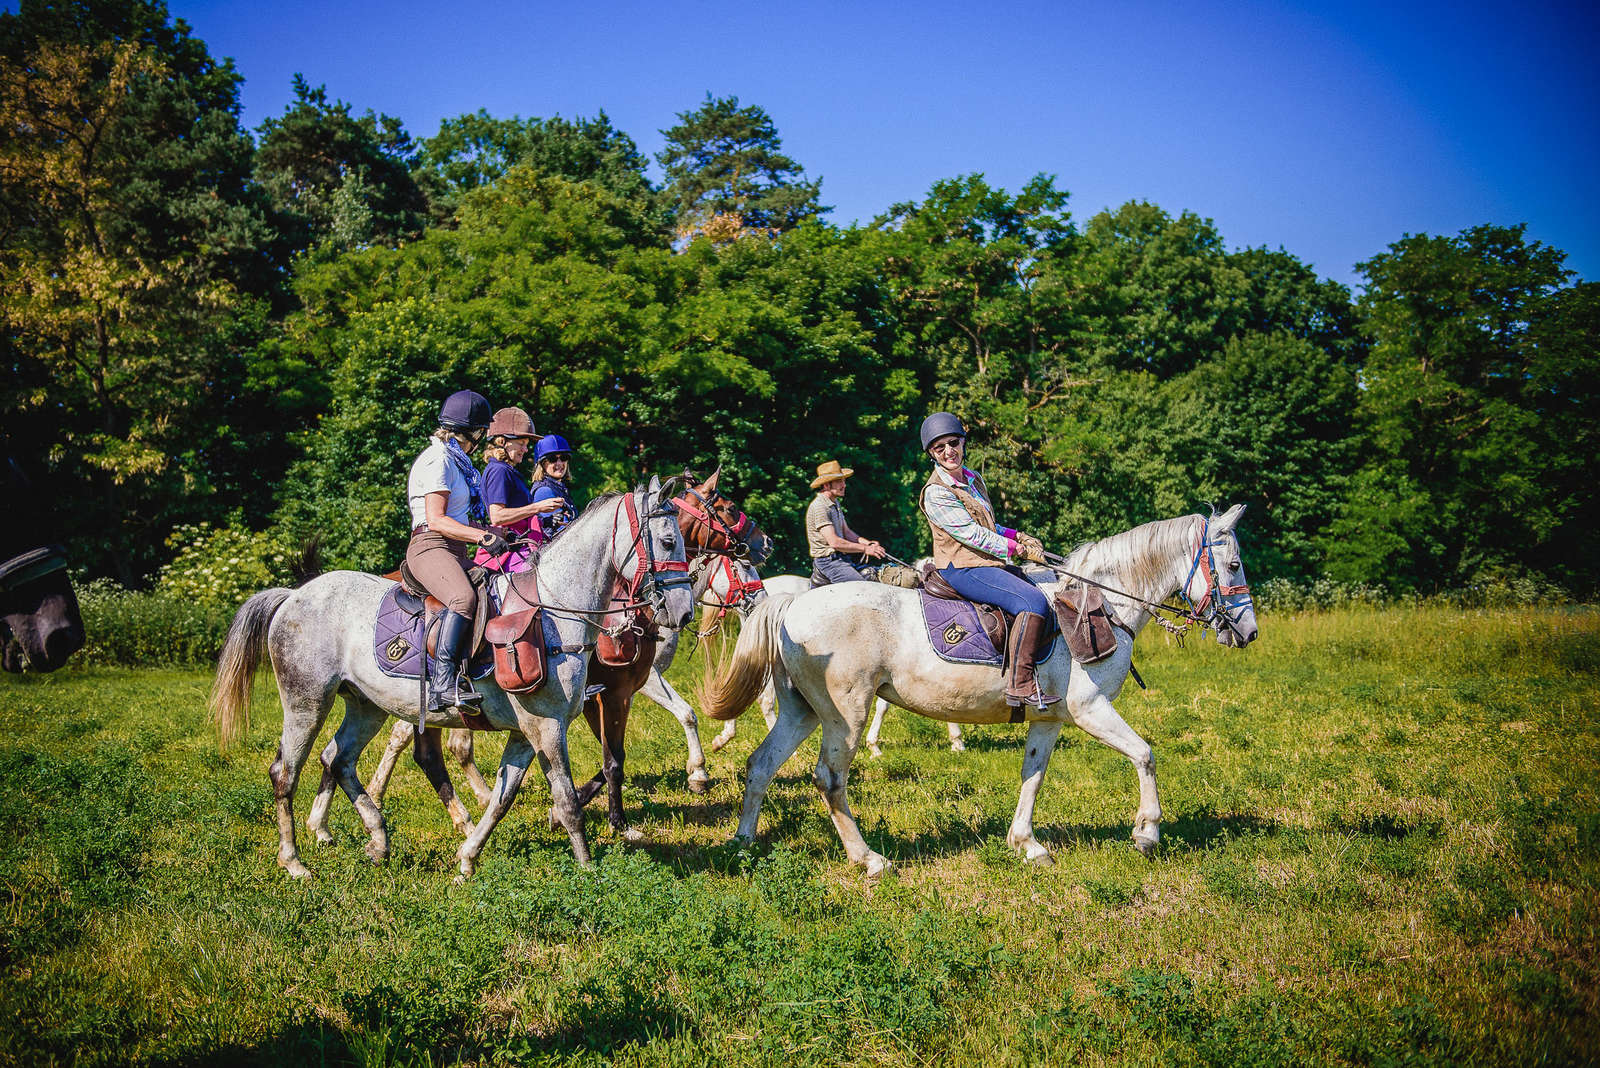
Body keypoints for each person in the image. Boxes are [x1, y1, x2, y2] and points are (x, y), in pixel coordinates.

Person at [917, 412, 1060, 708]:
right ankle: (1020, 685)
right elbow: (971, 535)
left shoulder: (973, 478)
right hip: (962, 568)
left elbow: (988, 525)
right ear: (931, 454)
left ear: (963, 442)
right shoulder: (935, 493)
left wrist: (1016, 534)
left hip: (986, 561)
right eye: (939, 448)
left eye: (953, 443)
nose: (948, 452)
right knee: (1033, 602)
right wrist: (1015, 550)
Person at [405, 389, 509, 710]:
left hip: (453, 549)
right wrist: (480, 538)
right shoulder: (439, 459)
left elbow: (458, 518)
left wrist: (491, 533)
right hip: (429, 547)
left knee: (493, 589)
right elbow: (436, 520)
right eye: (482, 431)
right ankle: (441, 686)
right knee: (462, 598)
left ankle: (476, 672)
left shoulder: (456, 461)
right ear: (473, 432)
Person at [474, 407, 565, 572]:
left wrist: (545, 521)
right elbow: (498, 515)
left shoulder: (508, 470)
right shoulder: (499, 470)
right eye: (521, 444)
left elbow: (517, 516)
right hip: (507, 553)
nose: (525, 449)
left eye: (526, 445)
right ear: (503, 442)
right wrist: (538, 507)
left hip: (520, 546)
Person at [804, 459, 889, 585]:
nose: (844, 485)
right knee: (863, 588)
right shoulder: (820, 506)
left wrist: (869, 544)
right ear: (826, 485)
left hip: (841, 558)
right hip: (829, 562)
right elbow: (834, 542)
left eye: (843, 480)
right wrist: (865, 549)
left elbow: (846, 532)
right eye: (839, 481)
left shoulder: (834, 503)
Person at [529, 433, 579, 540]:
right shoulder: (544, 491)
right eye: (552, 459)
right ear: (542, 464)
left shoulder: (559, 487)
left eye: (564, 457)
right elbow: (562, 532)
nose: (559, 463)